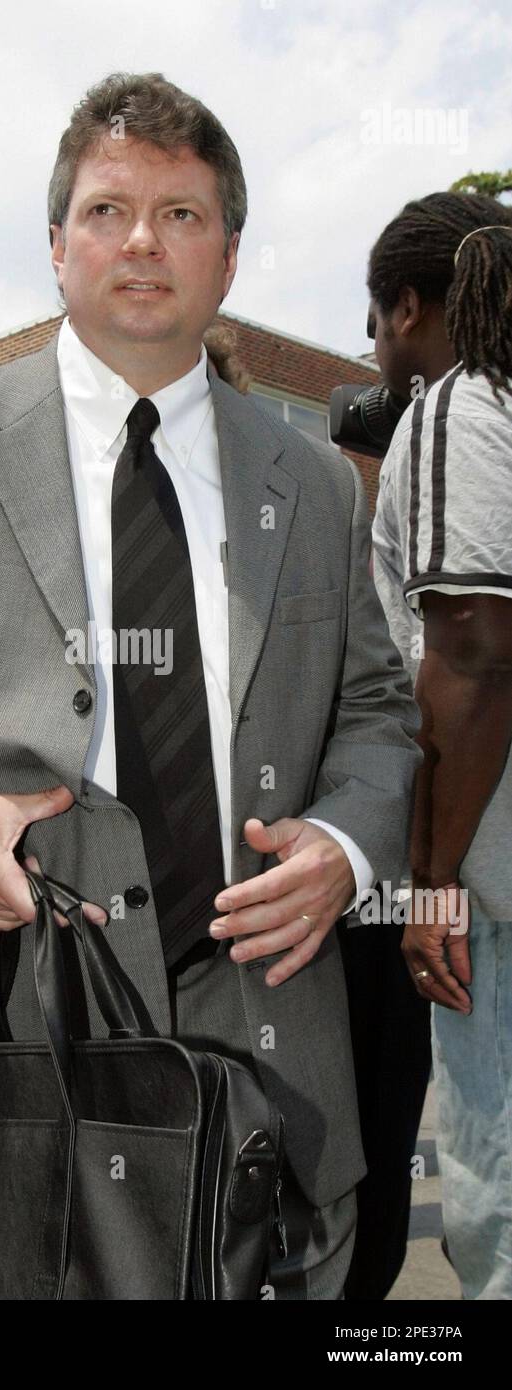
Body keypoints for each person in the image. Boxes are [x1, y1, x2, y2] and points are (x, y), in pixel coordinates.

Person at [0, 72, 421, 1300]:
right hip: (11, 1065)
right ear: (54, 247)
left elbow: (378, 712)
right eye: (108, 208)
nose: (141, 241)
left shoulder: (319, 485)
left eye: (181, 215)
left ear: (228, 256)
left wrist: (343, 840)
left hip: (275, 1066)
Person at [368, 193, 512, 1299]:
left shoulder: (454, 406)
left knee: (495, 1218)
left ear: (410, 307)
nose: (372, 348)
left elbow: (466, 644)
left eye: (374, 318)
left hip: (498, 886)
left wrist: (428, 886)